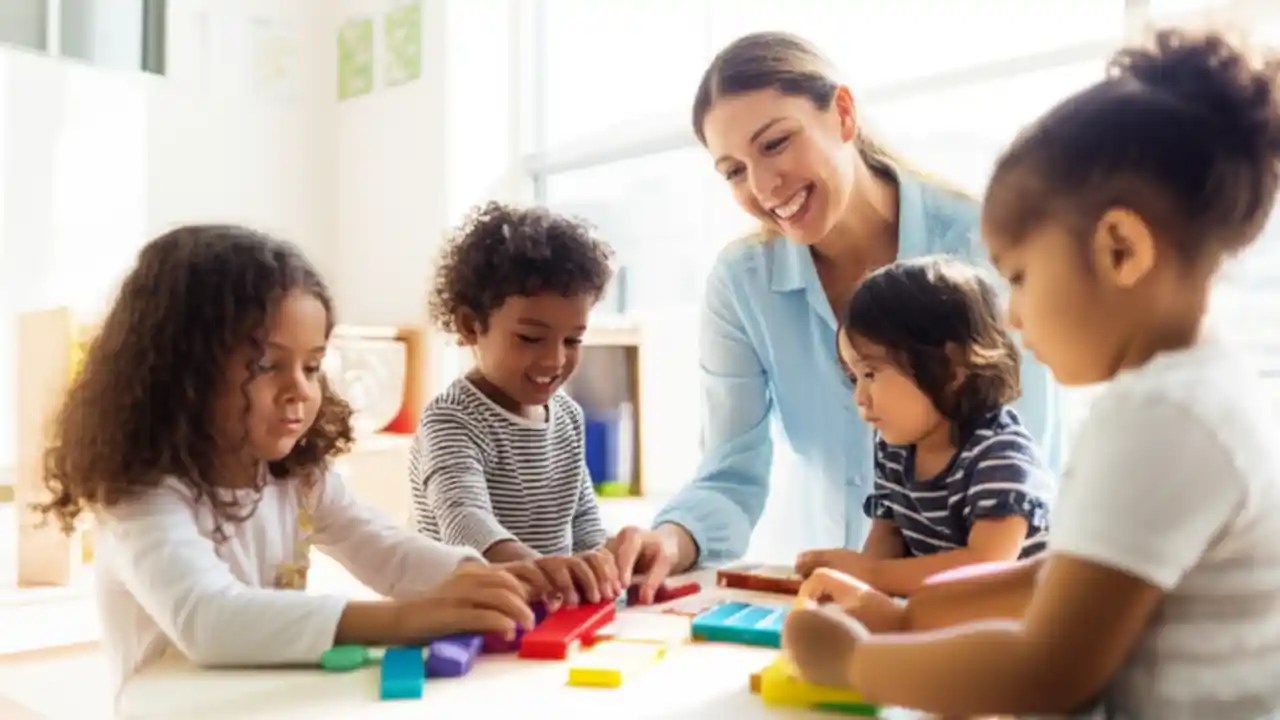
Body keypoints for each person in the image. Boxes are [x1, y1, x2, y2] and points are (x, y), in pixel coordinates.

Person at [782, 28, 1280, 718]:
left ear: (1118, 248)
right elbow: (1057, 576)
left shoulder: (1163, 417)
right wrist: (900, 619)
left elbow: (1047, 671)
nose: (1012, 318)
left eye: (1019, 277)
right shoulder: (1198, 389)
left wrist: (856, 662)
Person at [608, 31, 1061, 602]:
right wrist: (671, 540)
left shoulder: (983, 244)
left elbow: (1020, 457)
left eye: (774, 143)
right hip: (853, 601)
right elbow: (730, 471)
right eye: (733, 171)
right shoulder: (742, 283)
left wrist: (880, 587)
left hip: (999, 603)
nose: (762, 187)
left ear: (843, 114)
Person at [38, 226, 558, 703]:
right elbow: (209, 619)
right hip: (175, 707)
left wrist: (491, 577)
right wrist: (404, 619)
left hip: (265, 696)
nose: (300, 391)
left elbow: (385, 550)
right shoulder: (140, 493)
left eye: (311, 366)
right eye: (268, 365)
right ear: (180, 371)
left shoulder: (297, 476)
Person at [793, 256, 1053, 598]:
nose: (860, 396)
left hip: (1015, 629)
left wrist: (871, 574)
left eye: (870, 374)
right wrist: (854, 590)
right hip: (945, 617)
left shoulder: (999, 455)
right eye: (854, 377)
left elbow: (988, 566)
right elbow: (887, 535)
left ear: (951, 368)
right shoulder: (894, 445)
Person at [410, 202, 622, 606]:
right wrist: (542, 572)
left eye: (572, 340)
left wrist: (602, 566)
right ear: (471, 326)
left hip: (543, 608)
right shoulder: (451, 420)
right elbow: (466, 523)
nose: (555, 360)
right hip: (461, 611)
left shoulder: (568, 418)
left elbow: (584, 523)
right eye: (530, 338)